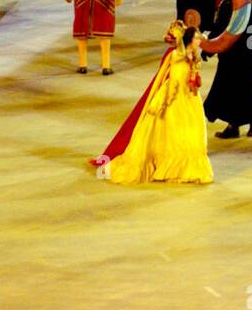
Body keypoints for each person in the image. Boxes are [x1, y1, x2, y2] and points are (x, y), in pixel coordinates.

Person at [91, 12, 213, 185]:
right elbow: (176, 73)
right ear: (189, 41)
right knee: (174, 134)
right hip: (173, 100)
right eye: (197, 39)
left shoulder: (192, 57)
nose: (199, 41)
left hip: (189, 100)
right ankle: (172, 166)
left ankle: (186, 166)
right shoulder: (177, 55)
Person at [203, 0, 252, 139]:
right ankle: (239, 124)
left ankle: (246, 124)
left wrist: (208, 49)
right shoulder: (248, 7)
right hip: (237, 56)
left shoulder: (231, 7)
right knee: (241, 89)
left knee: (236, 89)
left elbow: (219, 29)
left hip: (237, 56)